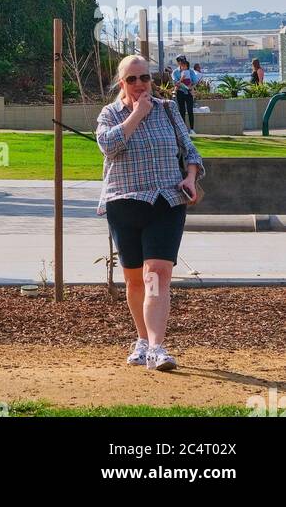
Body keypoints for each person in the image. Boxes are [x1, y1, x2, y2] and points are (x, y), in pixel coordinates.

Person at [96, 55, 205, 373]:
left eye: (144, 77)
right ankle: (142, 340)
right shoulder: (110, 113)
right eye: (132, 79)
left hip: (166, 202)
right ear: (122, 83)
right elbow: (108, 146)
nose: (140, 84)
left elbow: (191, 150)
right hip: (125, 203)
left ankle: (158, 347)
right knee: (134, 280)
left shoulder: (168, 109)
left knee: (156, 273)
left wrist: (190, 177)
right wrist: (136, 114)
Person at [171, 54, 198, 133]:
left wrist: (191, 86)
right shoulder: (175, 72)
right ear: (178, 62)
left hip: (189, 92)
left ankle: (192, 129)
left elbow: (195, 81)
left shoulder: (191, 71)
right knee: (181, 111)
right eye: (180, 61)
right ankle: (183, 129)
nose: (182, 62)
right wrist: (181, 80)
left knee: (190, 110)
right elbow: (175, 82)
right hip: (180, 92)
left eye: (184, 60)